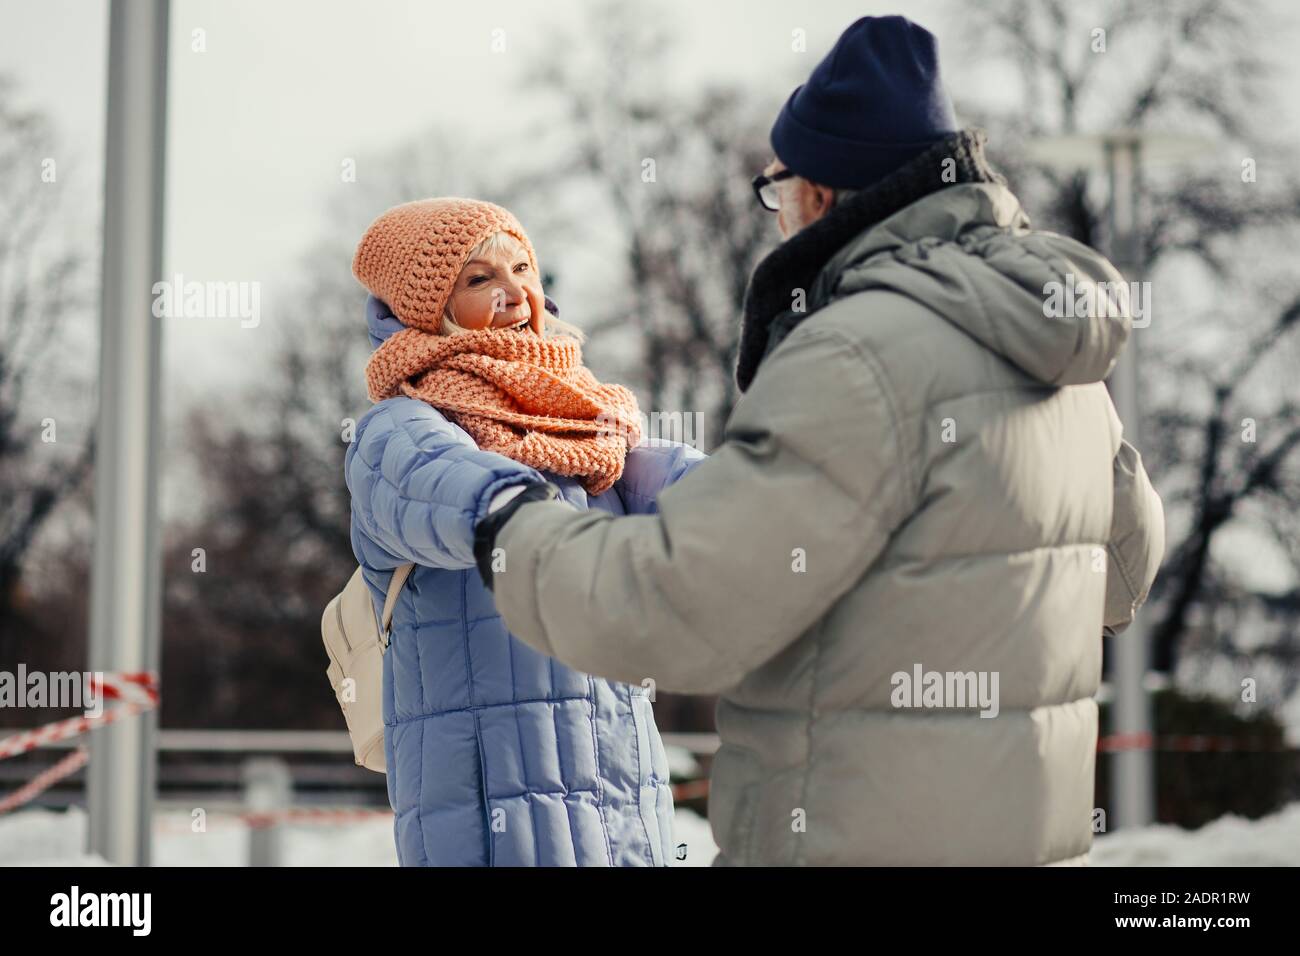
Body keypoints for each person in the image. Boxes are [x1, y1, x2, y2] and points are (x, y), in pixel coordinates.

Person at [469, 16, 1166, 865]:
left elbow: (681, 606)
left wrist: (513, 526)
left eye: (777, 186)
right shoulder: (1056, 351)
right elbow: (1122, 577)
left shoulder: (858, 352)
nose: (775, 213)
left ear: (821, 193)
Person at [345, 197, 704, 865]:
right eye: (479, 279)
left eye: (521, 268)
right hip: (495, 818)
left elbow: (690, 486)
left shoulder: (586, 426)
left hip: (623, 807)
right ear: (428, 307)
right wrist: (514, 512)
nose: (514, 294)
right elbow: (435, 481)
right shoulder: (399, 428)